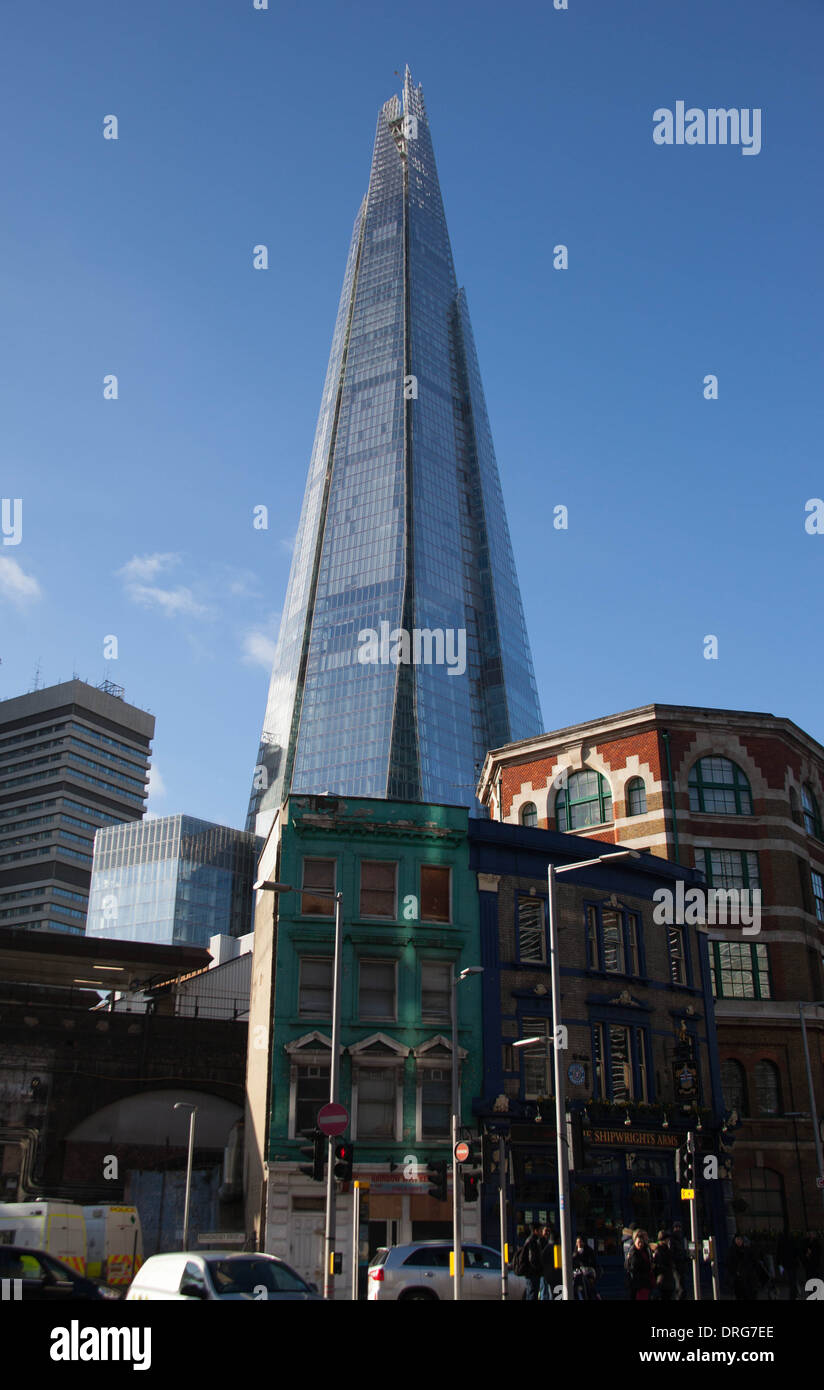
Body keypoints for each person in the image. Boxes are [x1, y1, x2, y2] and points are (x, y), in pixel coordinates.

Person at [727, 1233, 767, 1301]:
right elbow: (730, 1264)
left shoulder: (747, 1250)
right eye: (737, 1239)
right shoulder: (732, 1251)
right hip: (739, 1280)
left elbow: (755, 1262)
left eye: (740, 1239)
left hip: (749, 1279)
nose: (739, 1241)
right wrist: (735, 1273)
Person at [626, 1230, 654, 1301]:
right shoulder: (633, 1252)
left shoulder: (646, 1250)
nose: (640, 1244)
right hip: (638, 1284)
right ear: (635, 1241)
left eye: (642, 1242)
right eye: (639, 1242)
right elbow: (631, 1268)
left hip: (645, 1283)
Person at [652, 1231, 677, 1301]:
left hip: (665, 1279)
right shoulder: (660, 1250)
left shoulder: (665, 1249)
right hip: (663, 1280)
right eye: (667, 1239)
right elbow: (660, 1265)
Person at [572, 1235, 599, 1300]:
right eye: (577, 1242)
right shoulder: (575, 1252)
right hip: (578, 1277)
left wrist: (592, 1276)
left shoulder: (589, 1251)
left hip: (588, 1276)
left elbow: (593, 1264)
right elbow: (573, 1263)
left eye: (580, 1242)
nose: (579, 1244)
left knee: (590, 1291)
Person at [775, 1229, 800, 1300]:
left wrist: (779, 1263)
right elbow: (797, 1251)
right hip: (792, 1263)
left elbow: (779, 1253)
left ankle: (793, 1295)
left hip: (787, 1263)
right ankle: (794, 1295)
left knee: (791, 1280)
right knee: (793, 1280)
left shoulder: (781, 1241)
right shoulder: (793, 1241)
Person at [521, 1224, 544, 1300]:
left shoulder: (532, 1240)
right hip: (533, 1273)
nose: (542, 1232)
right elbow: (532, 1259)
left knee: (531, 1293)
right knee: (532, 1294)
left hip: (531, 1273)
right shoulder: (532, 1241)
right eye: (540, 1230)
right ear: (535, 1231)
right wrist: (538, 1269)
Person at [670, 1220, 690, 1298]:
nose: (678, 1229)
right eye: (676, 1227)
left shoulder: (682, 1238)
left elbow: (685, 1251)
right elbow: (672, 1252)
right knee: (679, 1286)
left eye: (679, 1227)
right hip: (676, 1265)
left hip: (682, 1264)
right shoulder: (672, 1239)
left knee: (682, 1285)